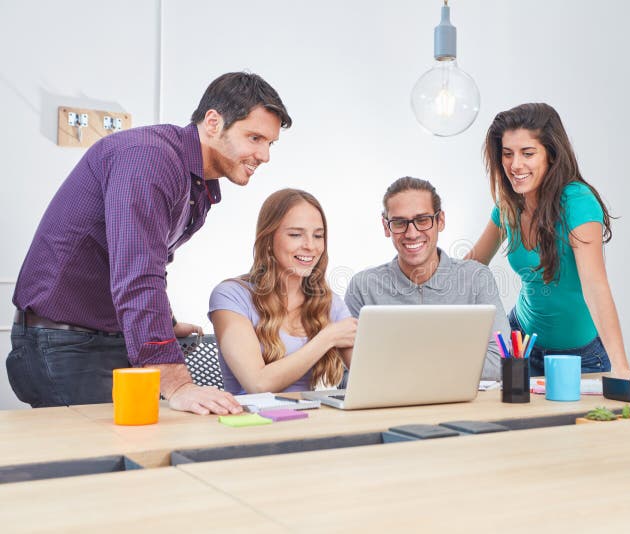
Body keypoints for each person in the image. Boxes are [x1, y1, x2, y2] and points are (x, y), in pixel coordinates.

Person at [8, 72, 293, 414]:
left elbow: (146, 258)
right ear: (214, 123)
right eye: (255, 138)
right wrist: (176, 383)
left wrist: (167, 325)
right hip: (65, 344)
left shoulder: (196, 183)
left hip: (100, 338)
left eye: (270, 143)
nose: (264, 155)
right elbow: (137, 271)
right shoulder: (149, 159)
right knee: (103, 462)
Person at [467, 103, 630, 391]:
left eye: (528, 153)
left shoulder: (577, 202)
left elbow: (595, 286)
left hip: (579, 357)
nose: (515, 165)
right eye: (507, 154)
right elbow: (470, 267)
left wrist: (622, 367)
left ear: (551, 153)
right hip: (520, 347)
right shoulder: (508, 206)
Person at [345, 177, 509, 380]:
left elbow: (502, 360)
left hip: (461, 409)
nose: (412, 233)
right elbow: (347, 375)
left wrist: (400, 370)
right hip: (391, 409)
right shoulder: (363, 287)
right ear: (386, 227)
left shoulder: (476, 278)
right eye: (399, 222)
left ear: (440, 221)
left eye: (422, 220)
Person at [209, 189, 357, 394]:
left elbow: (369, 376)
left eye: (318, 236)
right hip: (255, 422)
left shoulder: (329, 303)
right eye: (296, 235)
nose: (310, 246)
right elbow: (258, 384)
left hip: (311, 421)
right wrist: (327, 338)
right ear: (268, 240)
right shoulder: (230, 296)